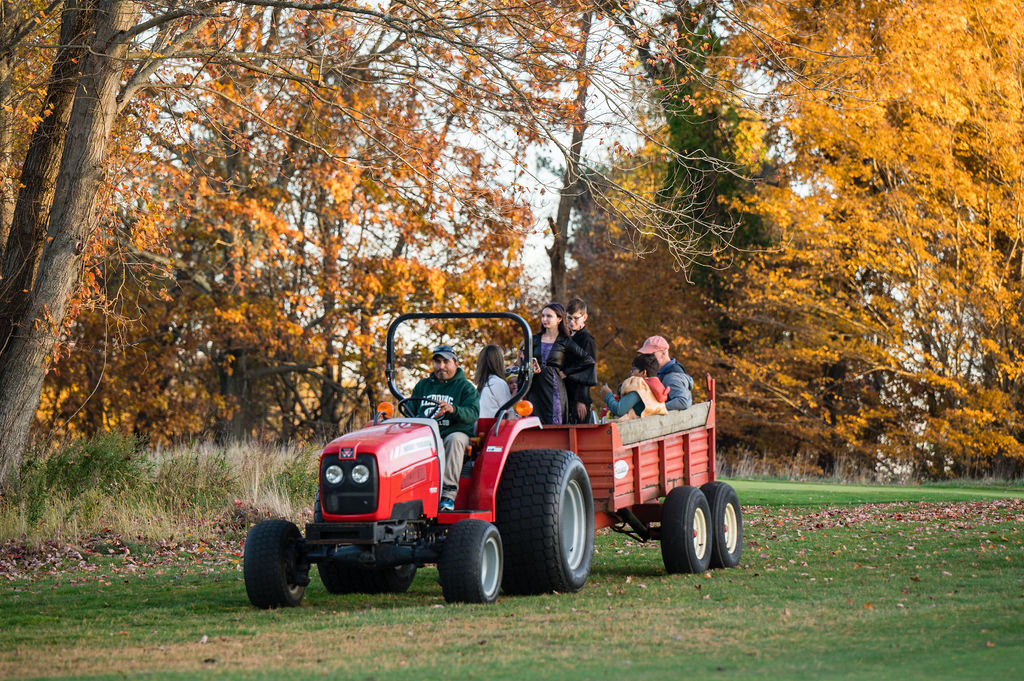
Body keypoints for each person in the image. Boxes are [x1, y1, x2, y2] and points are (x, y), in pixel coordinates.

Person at [410, 344, 480, 511]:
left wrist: (453, 409)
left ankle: (447, 496)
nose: (441, 366)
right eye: (437, 362)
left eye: (445, 362)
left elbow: (472, 413)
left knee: (454, 440)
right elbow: (411, 411)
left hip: (454, 434)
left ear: (456, 363)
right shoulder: (423, 386)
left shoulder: (465, 388)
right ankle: (411, 493)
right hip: (427, 435)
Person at [526, 302, 595, 425]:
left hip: (554, 387)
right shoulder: (534, 339)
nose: (544, 319)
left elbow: (588, 360)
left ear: (558, 319)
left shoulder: (565, 340)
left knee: (553, 423)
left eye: (549, 316)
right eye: (543, 316)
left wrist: (566, 373)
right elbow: (525, 361)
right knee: (534, 423)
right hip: (535, 387)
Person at [600, 353, 669, 421]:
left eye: (633, 369)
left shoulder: (639, 387)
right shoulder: (657, 386)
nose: (631, 372)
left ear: (643, 372)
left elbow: (619, 410)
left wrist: (608, 395)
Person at [637, 335, 693, 410]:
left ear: (663, 353)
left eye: (650, 354)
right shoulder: (660, 372)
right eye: (645, 355)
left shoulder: (672, 376)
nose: (647, 358)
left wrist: (655, 410)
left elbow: (682, 402)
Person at [565, 297, 597, 424]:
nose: (572, 322)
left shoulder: (586, 339)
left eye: (575, 318)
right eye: (569, 318)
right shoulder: (568, 337)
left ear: (584, 317)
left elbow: (587, 369)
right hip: (566, 393)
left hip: (578, 397)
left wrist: (581, 400)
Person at [475, 344, 513, 419]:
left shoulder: (483, 385)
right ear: (499, 361)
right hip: (494, 428)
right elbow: (509, 414)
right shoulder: (498, 383)